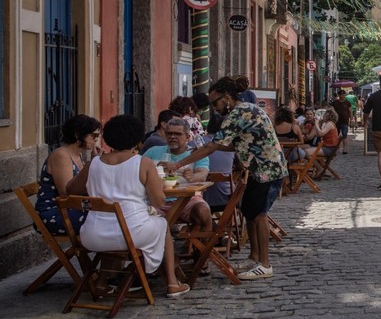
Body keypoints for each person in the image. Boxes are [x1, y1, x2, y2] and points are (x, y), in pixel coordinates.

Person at [169, 75, 287, 281]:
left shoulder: (238, 113)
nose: (215, 108)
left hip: (266, 169)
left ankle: (265, 264)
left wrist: (179, 163)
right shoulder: (246, 110)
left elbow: (213, 145)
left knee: (258, 214)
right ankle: (254, 258)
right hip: (260, 168)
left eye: (216, 102)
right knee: (250, 212)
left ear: (227, 97)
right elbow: (235, 143)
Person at [66, 114, 190, 298]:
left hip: (93, 235)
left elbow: (71, 189)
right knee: (163, 225)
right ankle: (172, 282)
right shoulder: (143, 163)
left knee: (116, 225)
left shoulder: (94, 163)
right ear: (136, 138)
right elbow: (159, 201)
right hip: (131, 234)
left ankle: (101, 282)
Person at [35, 114, 101, 236]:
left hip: (70, 209)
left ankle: (108, 253)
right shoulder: (61, 155)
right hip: (54, 212)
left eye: (97, 136)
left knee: (110, 215)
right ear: (77, 135)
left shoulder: (78, 155)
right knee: (106, 219)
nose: (96, 140)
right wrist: (92, 165)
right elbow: (66, 193)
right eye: (93, 136)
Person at [144, 118, 213, 234]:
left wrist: (192, 176)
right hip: (157, 200)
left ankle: (204, 249)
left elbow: (202, 174)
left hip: (188, 200)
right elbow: (138, 170)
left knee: (203, 211)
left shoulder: (196, 153)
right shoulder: (153, 152)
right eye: (169, 133)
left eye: (177, 134)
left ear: (187, 136)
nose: (172, 137)